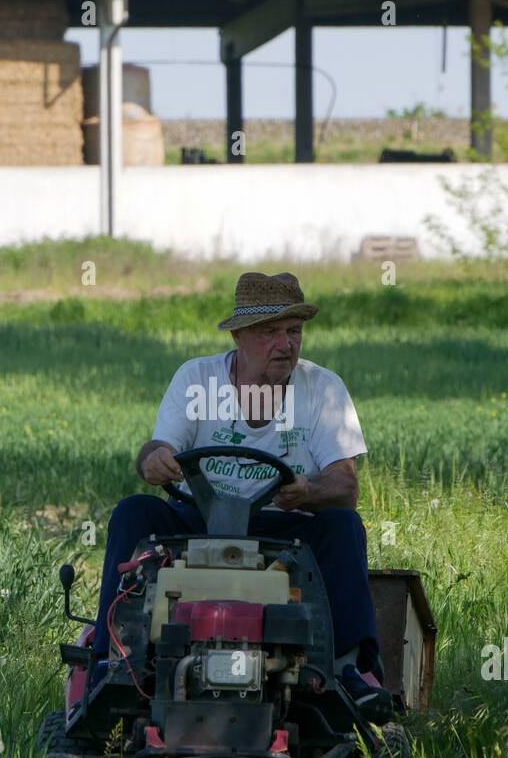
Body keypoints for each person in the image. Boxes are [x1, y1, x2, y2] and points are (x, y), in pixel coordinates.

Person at [90, 270, 391, 720]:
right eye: (271, 332)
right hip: (199, 520)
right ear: (239, 335)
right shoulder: (197, 380)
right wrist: (153, 460)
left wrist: (307, 491)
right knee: (135, 512)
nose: (285, 344)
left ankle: (348, 668)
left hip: (285, 528)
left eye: (293, 332)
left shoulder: (323, 389)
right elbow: (158, 448)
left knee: (344, 526)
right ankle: (113, 656)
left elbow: (344, 485)